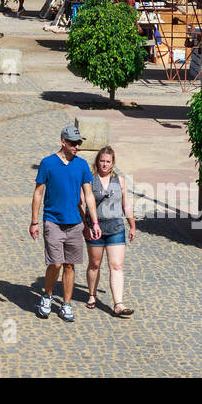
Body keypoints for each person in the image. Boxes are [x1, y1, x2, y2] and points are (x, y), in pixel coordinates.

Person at [29, 124, 101, 321]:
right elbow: (38, 193)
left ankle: (66, 304)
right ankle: (47, 295)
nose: (77, 146)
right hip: (52, 221)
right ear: (63, 142)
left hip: (75, 223)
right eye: (73, 143)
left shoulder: (82, 165)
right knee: (56, 263)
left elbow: (88, 195)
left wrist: (94, 223)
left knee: (70, 265)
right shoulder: (47, 163)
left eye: (78, 143)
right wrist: (34, 222)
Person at [84, 147, 135, 317]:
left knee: (116, 265)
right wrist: (86, 226)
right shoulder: (89, 180)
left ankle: (118, 304)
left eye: (108, 161)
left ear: (113, 163)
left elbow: (125, 204)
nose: (104, 164)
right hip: (95, 229)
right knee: (94, 264)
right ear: (97, 161)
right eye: (102, 161)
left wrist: (132, 225)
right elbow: (81, 204)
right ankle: (92, 295)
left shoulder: (119, 181)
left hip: (116, 229)